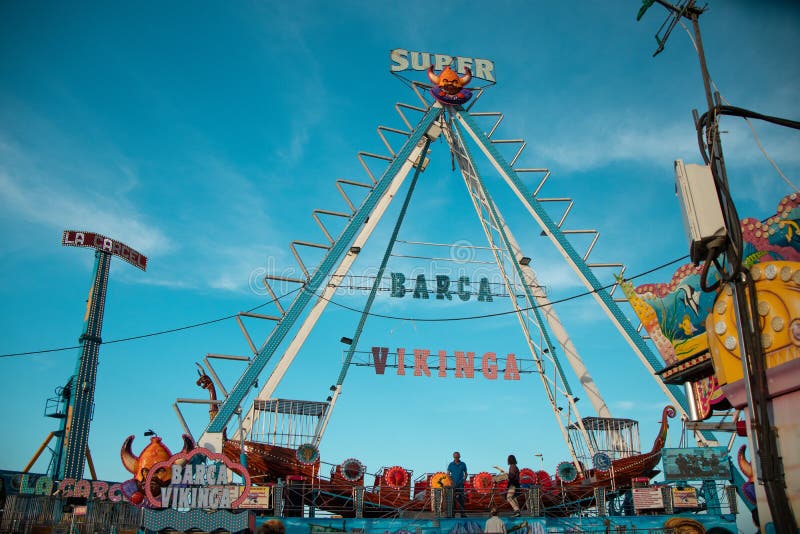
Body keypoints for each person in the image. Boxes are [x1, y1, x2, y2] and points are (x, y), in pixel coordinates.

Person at [447, 451, 468, 517]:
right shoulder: (450, 464)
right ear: (453, 457)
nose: (456, 458)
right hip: (453, 485)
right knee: (453, 499)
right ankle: (453, 513)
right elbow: (448, 474)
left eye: (457, 457)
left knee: (461, 498)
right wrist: (451, 481)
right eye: (455, 457)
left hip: (460, 484)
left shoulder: (463, 464)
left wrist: (464, 480)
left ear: (459, 457)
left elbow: (466, 473)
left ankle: (463, 513)